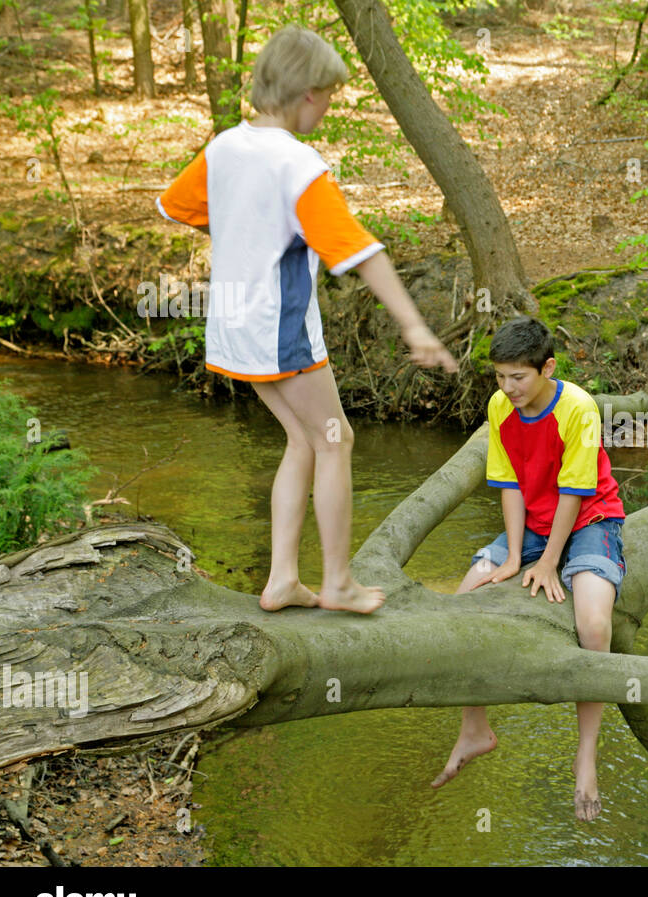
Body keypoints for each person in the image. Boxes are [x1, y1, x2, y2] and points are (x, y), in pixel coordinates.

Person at [156, 25, 457, 614]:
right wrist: (415, 327)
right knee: (335, 438)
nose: (329, 104)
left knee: (302, 438)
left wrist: (245, 233)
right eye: (330, 95)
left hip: (233, 329)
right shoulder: (298, 164)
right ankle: (339, 582)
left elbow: (176, 205)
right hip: (277, 328)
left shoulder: (223, 146)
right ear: (310, 93)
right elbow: (361, 251)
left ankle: (283, 581)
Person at [432, 317, 626, 822]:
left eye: (518, 377)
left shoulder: (578, 409)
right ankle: (475, 729)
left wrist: (549, 560)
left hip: (589, 520)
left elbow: (575, 492)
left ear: (547, 368)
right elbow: (510, 484)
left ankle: (586, 755)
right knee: (462, 602)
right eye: (499, 376)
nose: (507, 388)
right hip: (534, 527)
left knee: (594, 624)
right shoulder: (500, 408)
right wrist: (517, 556)